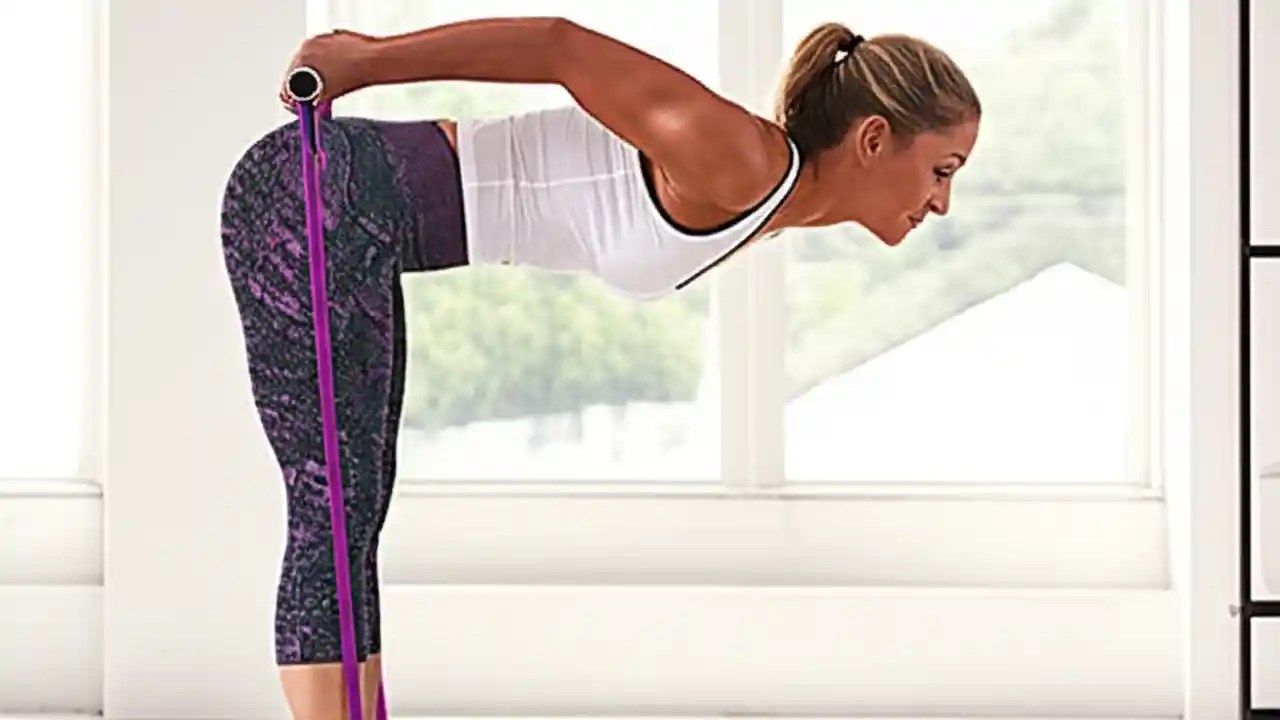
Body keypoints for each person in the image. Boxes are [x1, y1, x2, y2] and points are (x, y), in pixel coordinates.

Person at [220, 15, 980, 720]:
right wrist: (369, 61)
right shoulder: (742, 158)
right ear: (875, 139)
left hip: (360, 217)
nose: (943, 201)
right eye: (942, 169)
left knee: (357, 499)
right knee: (335, 503)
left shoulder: (769, 200)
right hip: (319, 197)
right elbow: (560, 47)